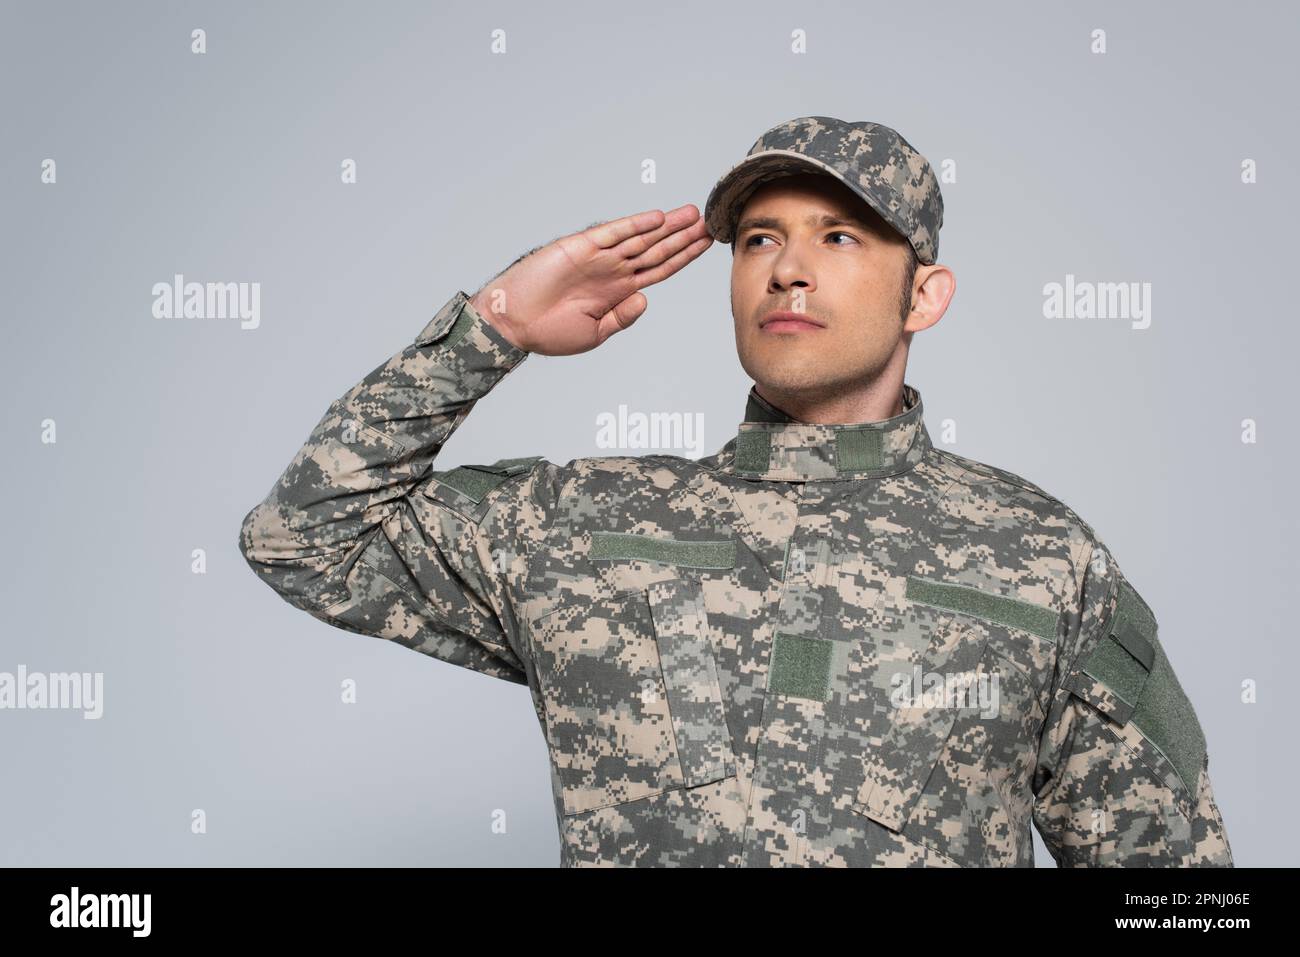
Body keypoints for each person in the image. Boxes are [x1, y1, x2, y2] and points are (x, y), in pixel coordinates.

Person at [238, 115, 1233, 867]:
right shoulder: (579, 524)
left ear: (922, 295)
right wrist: (493, 325)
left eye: (840, 238)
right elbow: (304, 537)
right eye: (759, 239)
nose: (789, 270)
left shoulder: (1042, 559)